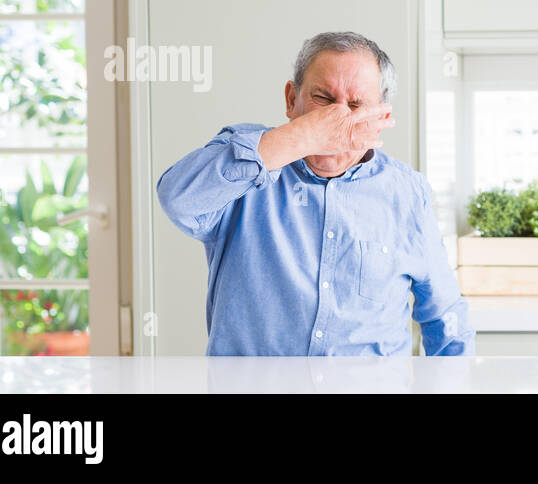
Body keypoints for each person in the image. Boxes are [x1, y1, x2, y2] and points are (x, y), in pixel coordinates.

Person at [156, 31, 473, 356]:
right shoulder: (245, 168)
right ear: (291, 99)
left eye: (355, 105)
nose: (336, 119)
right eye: (322, 99)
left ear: (382, 118)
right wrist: (301, 137)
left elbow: (446, 321)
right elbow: (178, 199)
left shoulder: (407, 192)